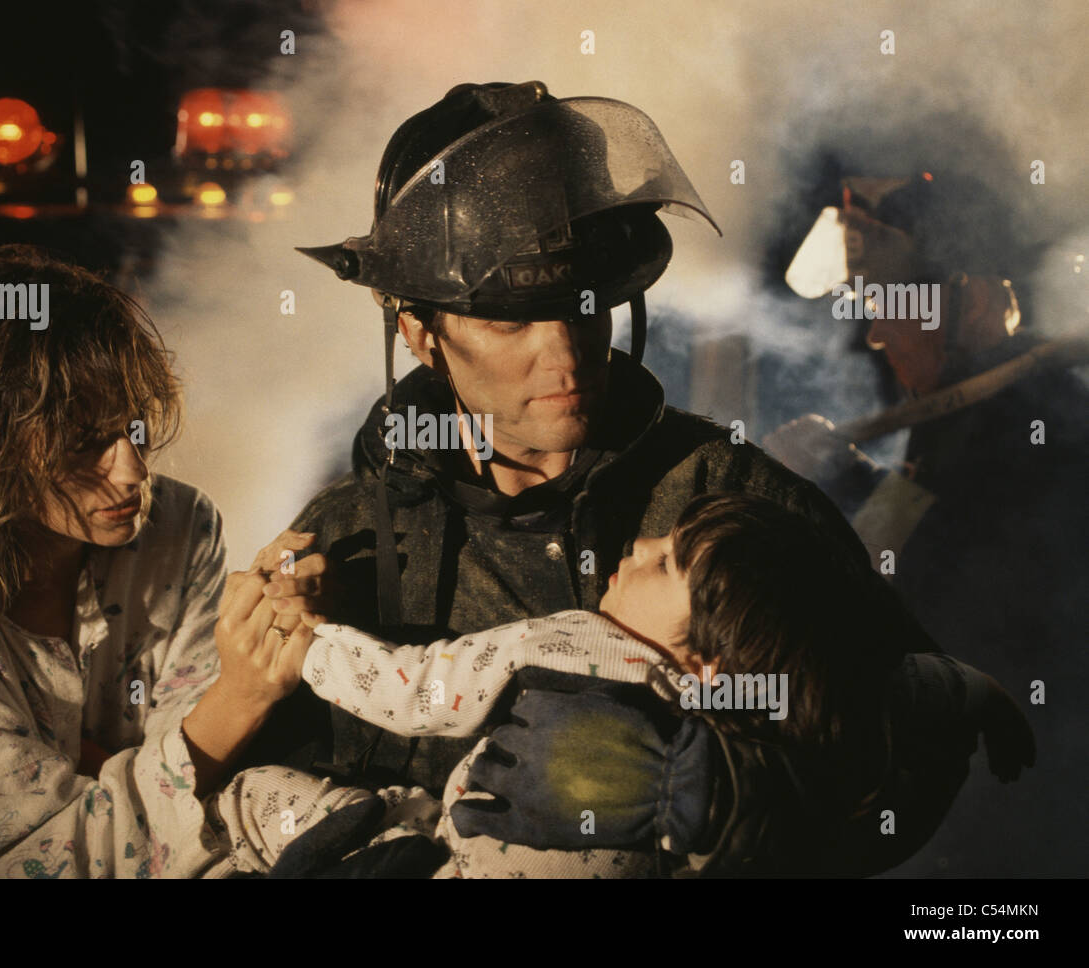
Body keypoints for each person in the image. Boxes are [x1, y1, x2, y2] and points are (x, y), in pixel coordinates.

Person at [283, 82, 995, 874]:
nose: (564, 353)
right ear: (420, 331)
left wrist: (729, 801)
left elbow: (908, 758)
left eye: (583, 306)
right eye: (511, 319)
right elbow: (234, 799)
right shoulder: (346, 540)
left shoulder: (735, 505)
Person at [210, 493, 1031, 878]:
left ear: (708, 661)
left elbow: (415, 689)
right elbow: (909, 689)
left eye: (665, 563)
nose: (637, 548)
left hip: (451, 856)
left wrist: (306, 643)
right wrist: (987, 698)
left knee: (258, 799)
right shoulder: (791, 717)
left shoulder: (580, 645)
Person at [0, 244, 329, 877]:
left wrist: (265, 627)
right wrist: (242, 695)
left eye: (134, 427)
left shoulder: (178, 527)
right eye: (84, 444)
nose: (133, 472)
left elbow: (205, 790)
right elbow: (36, 862)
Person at [767, 171, 1089, 874]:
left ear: (973, 300)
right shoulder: (962, 412)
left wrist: (835, 490)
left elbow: (952, 591)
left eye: (889, 305)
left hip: (1026, 802)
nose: (876, 333)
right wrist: (845, 477)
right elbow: (918, 530)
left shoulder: (1037, 421)